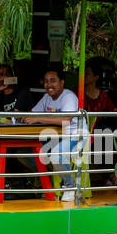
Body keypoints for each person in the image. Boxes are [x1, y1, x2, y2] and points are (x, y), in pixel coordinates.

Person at [24, 67, 85, 202]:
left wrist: (39, 118)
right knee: (23, 152)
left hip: (74, 135)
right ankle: (46, 183)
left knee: (57, 155)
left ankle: (70, 186)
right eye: (46, 81)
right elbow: (33, 113)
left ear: (62, 82)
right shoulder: (47, 97)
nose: (48, 85)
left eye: (53, 81)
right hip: (54, 136)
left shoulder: (68, 97)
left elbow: (65, 120)